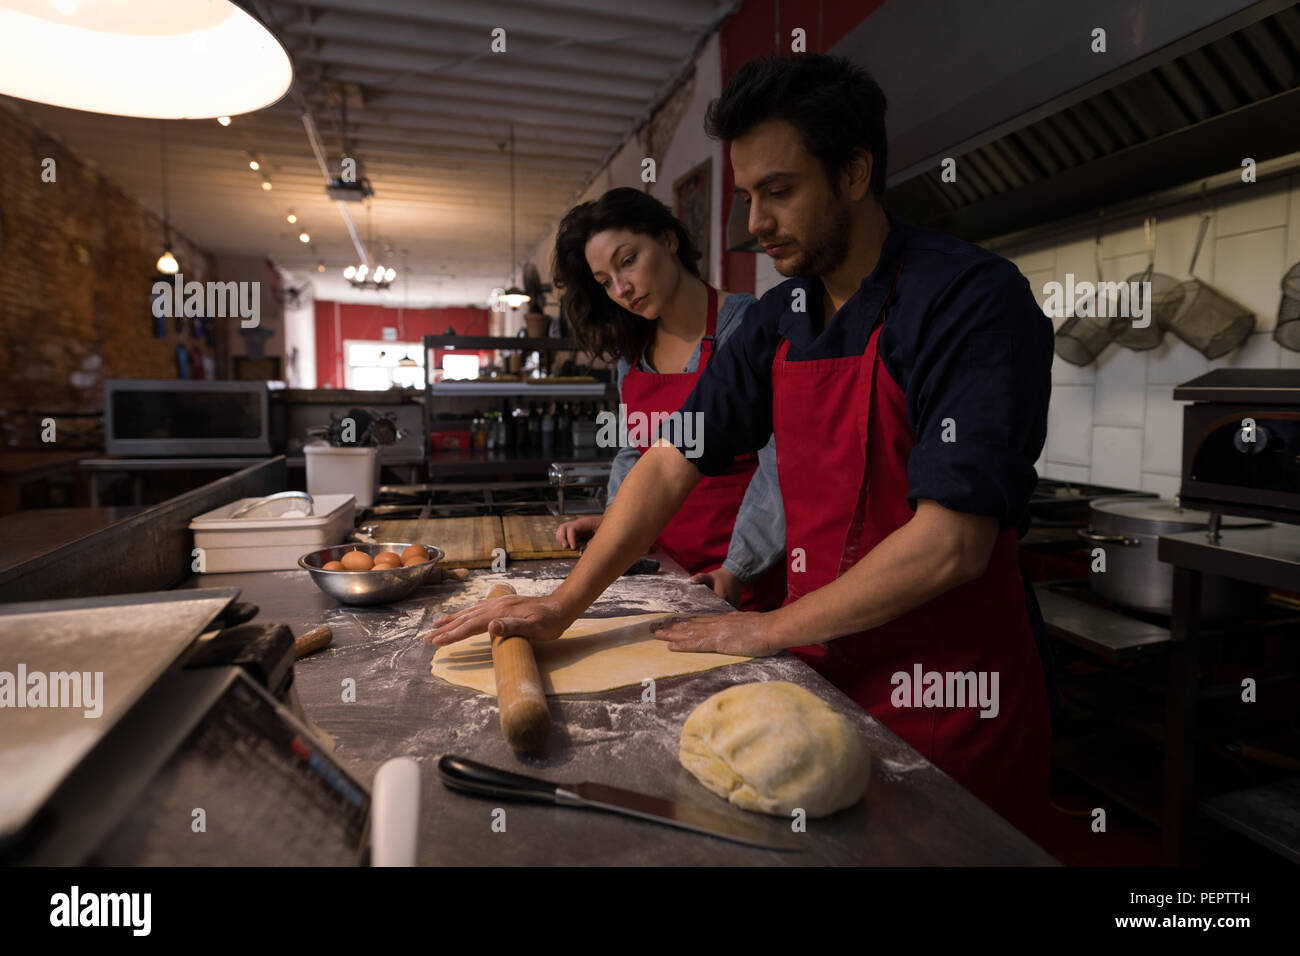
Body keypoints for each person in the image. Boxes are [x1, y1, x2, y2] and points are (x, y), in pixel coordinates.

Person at [426, 54, 1055, 844]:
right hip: (819, 666)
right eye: (749, 194)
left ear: (855, 172)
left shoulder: (969, 301)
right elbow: (667, 459)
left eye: (779, 192)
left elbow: (953, 545)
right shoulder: (777, 319)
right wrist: (562, 605)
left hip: (946, 692)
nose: (754, 222)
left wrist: (762, 628)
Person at [551, 187, 786, 611]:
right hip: (662, 567)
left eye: (628, 261)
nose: (621, 288)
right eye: (605, 282)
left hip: (739, 573)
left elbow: (778, 464)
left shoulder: (746, 326)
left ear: (668, 239)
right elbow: (632, 452)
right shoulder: (634, 352)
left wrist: (738, 566)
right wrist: (615, 525)